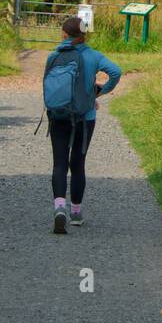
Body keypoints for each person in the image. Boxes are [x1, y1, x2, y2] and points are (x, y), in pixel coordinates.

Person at [45, 15, 121, 234]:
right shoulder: (94, 56)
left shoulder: (54, 55)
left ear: (64, 34)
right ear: (84, 34)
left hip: (58, 115)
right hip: (84, 117)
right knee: (77, 163)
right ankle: (76, 213)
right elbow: (116, 72)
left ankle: (59, 207)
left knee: (59, 163)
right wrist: (100, 91)